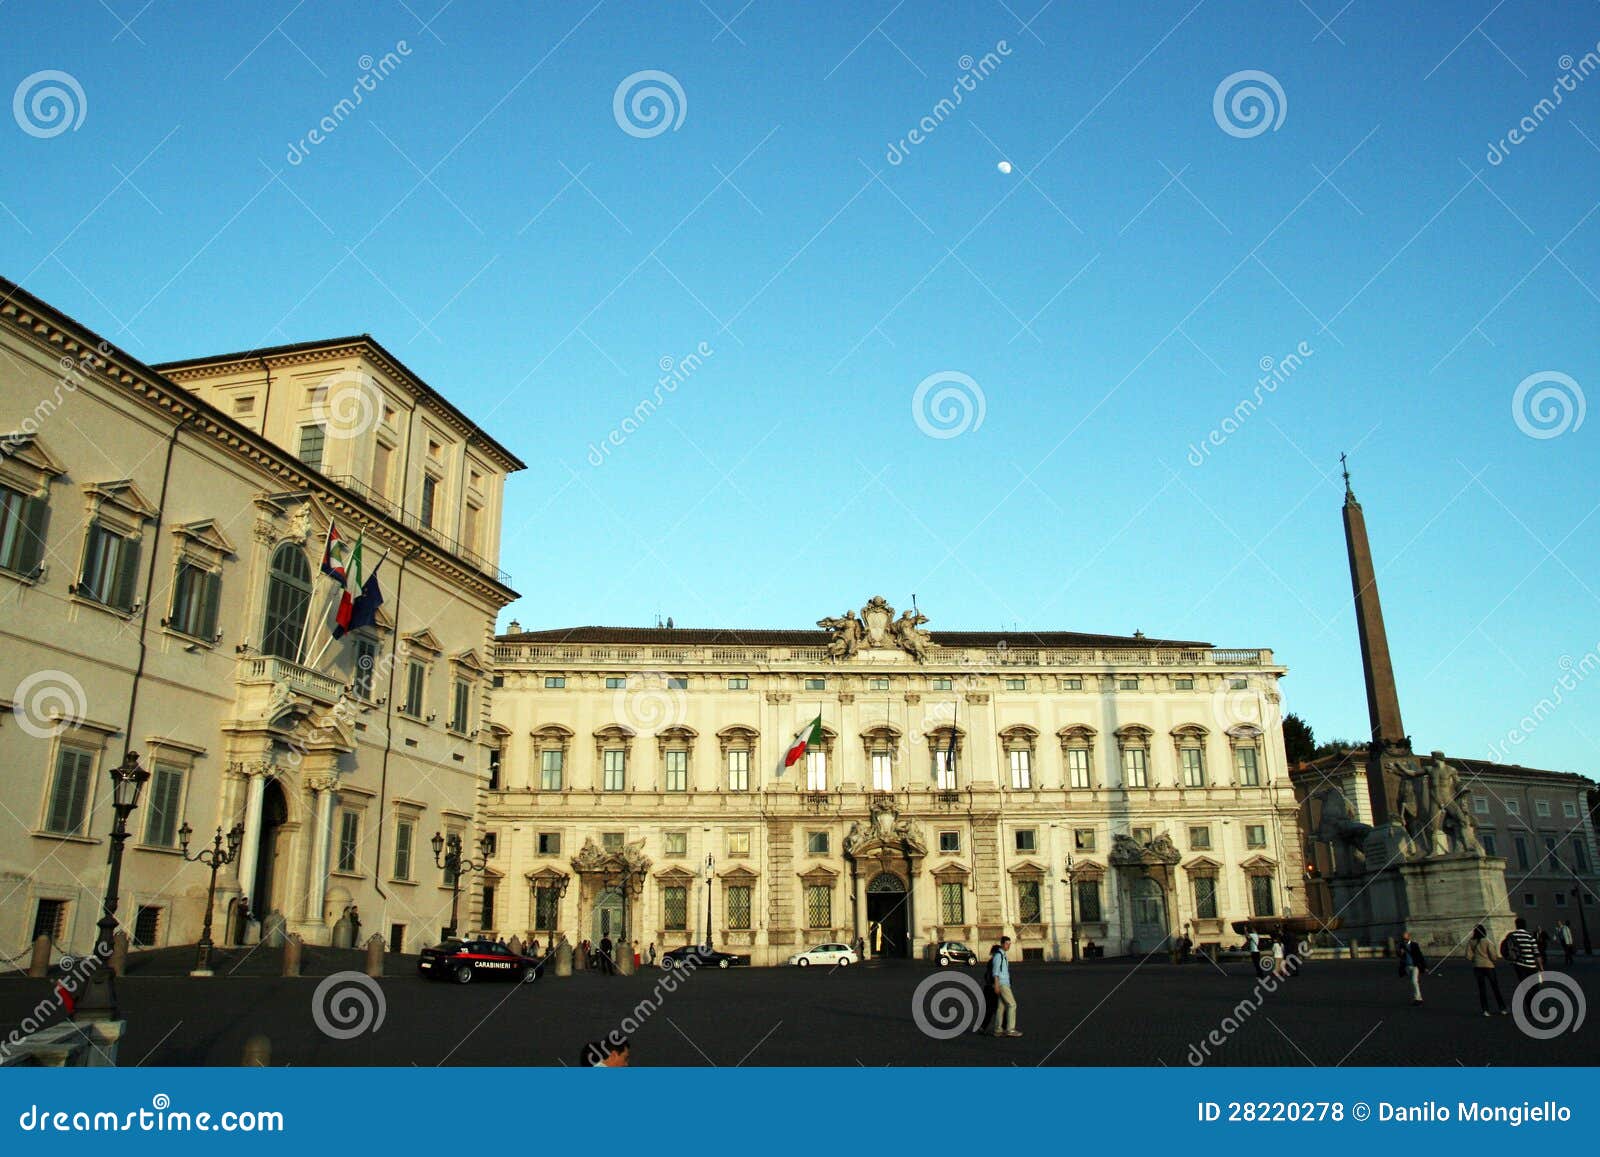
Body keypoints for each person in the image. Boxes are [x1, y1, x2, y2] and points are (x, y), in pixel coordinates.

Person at [1467, 924, 1508, 1017]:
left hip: (1477, 967)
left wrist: (1475, 959)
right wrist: (1493, 960)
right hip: (1489, 966)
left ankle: (1485, 1010)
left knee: (1482, 989)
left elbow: (1468, 955)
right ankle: (1502, 1008)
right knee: (1495, 988)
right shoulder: (1487, 941)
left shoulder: (1471, 942)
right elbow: (1493, 955)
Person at [991, 935, 1020, 1037]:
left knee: (1001, 1007)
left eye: (1009, 944)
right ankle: (1010, 1029)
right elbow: (995, 971)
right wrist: (996, 985)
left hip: (1004, 983)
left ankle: (998, 1029)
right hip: (1002, 984)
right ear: (1002, 944)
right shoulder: (999, 956)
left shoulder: (1003, 955)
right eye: (1007, 944)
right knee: (1012, 1004)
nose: (1009, 946)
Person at [1503, 916, 1542, 983]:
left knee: (1523, 984)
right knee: (1533, 986)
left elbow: (1504, 947)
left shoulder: (1512, 935)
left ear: (1516, 925)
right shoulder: (1529, 936)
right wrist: (1541, 967)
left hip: (1518, 964)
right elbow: (1536, 953)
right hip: (1531, 965)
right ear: (1525, 925)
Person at [973, 944, 1001, 1034]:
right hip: (993, 988)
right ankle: (1003, 1028)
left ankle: (983, 1027)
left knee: (991, 1009)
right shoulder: (996, 962)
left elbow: (987, 975)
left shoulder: (991, 961)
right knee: (998, 1008)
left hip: (988, 988)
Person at [1398, 930, 1426, 1005]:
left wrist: (1424, 966)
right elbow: (1400, 956)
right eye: (1403, 939)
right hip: (1407, 966)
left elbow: (1420, 956)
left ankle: (1417, 999)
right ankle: (1419, 998)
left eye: (1405, 939)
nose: (1404, 940)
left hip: (1415, 966)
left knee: (1414, 981)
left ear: (1409, 937)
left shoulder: (1414, 945)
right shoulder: (1401, 945)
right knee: (1414, 982)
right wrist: (1400, 953)